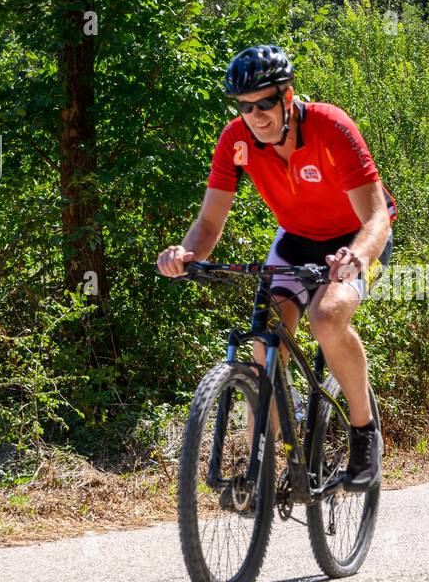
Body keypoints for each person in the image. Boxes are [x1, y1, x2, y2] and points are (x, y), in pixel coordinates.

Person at [156, 45, 396, 490]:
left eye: (265, 103)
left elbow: (377, 216)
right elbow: (209, 222)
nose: (256, 115)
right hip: (296, 242)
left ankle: (365, 434)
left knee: (326, 316)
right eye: (245, 107)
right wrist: (186, 253)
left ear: (288, 98)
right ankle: (262, 469)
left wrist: (358, 257)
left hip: (355, 240)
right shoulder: (236, 141)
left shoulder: (330, 127)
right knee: (265, 347)